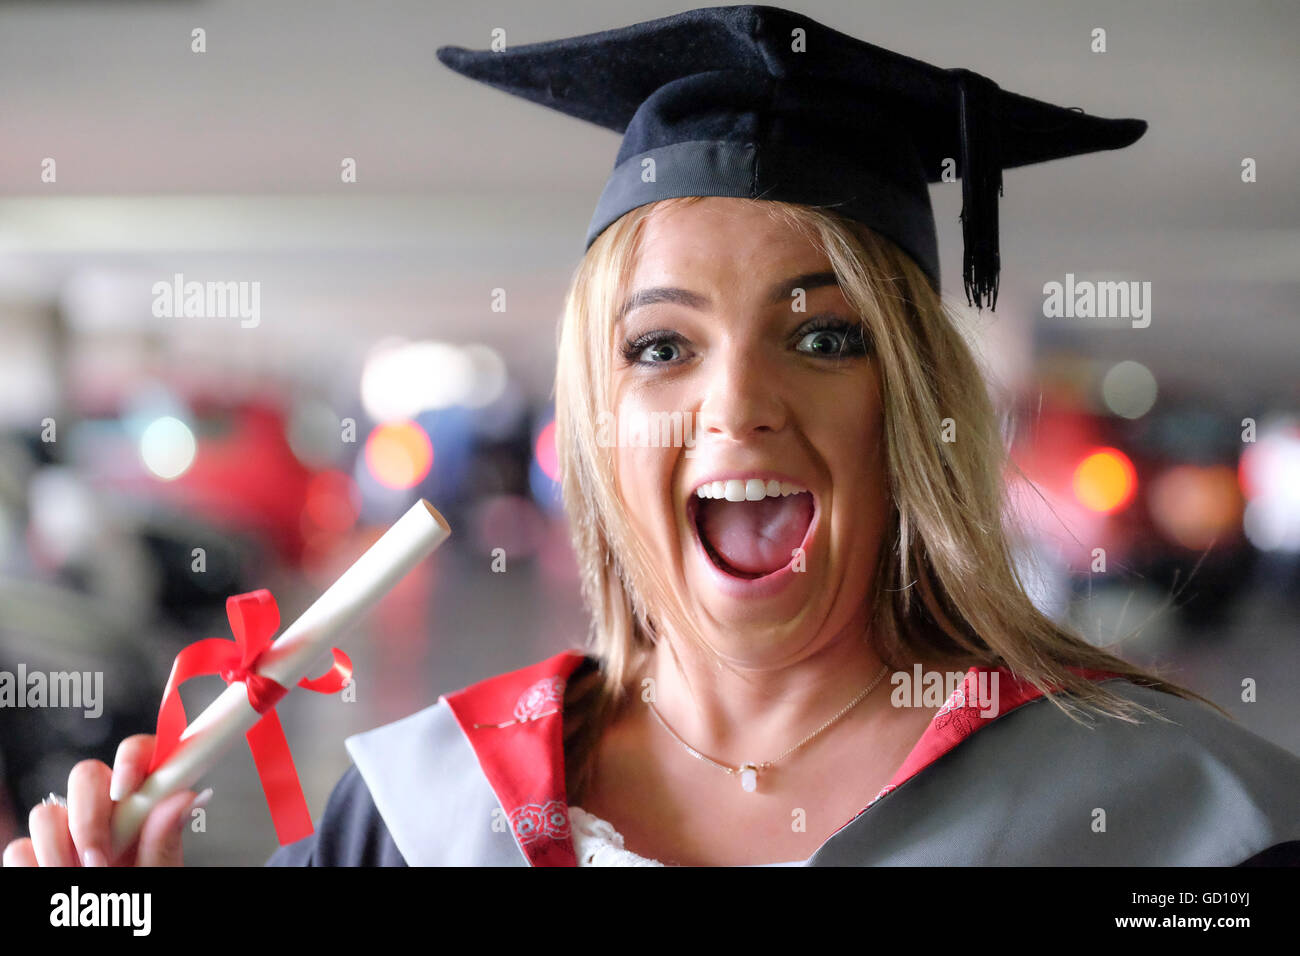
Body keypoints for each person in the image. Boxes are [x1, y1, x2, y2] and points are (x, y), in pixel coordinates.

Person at [6, 4, 1298, 868]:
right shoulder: (422, 821)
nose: (737, 407)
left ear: (914, 408)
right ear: (598, 421)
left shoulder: (1182, 821)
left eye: (826, 335)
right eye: (661, 348)